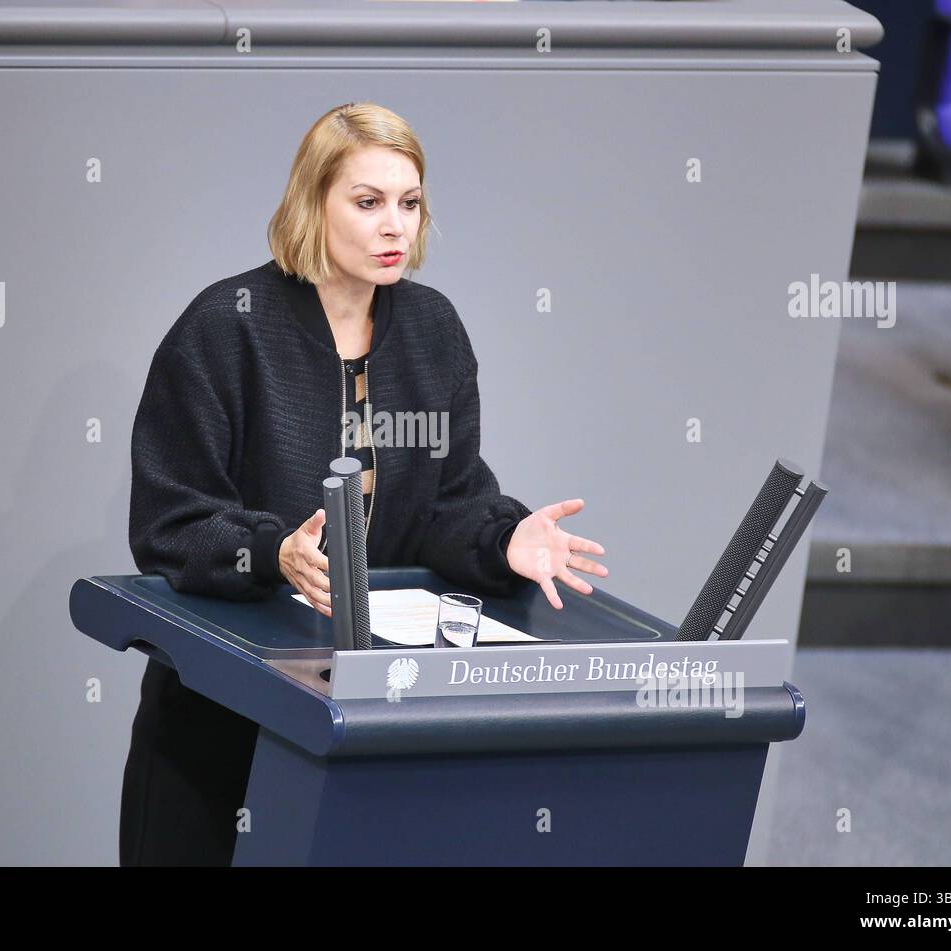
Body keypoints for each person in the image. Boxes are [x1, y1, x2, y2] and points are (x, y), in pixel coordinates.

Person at [119, 102, 608, 866]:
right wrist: (273, 552)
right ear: (312, 204)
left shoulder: (432, 329)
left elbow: (451, 505)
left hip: (372, 712)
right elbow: (171, 522)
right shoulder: (226, 326)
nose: (396, 227)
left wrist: (506, 537)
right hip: (222, 717)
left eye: (410, 203)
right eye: (368, 201)